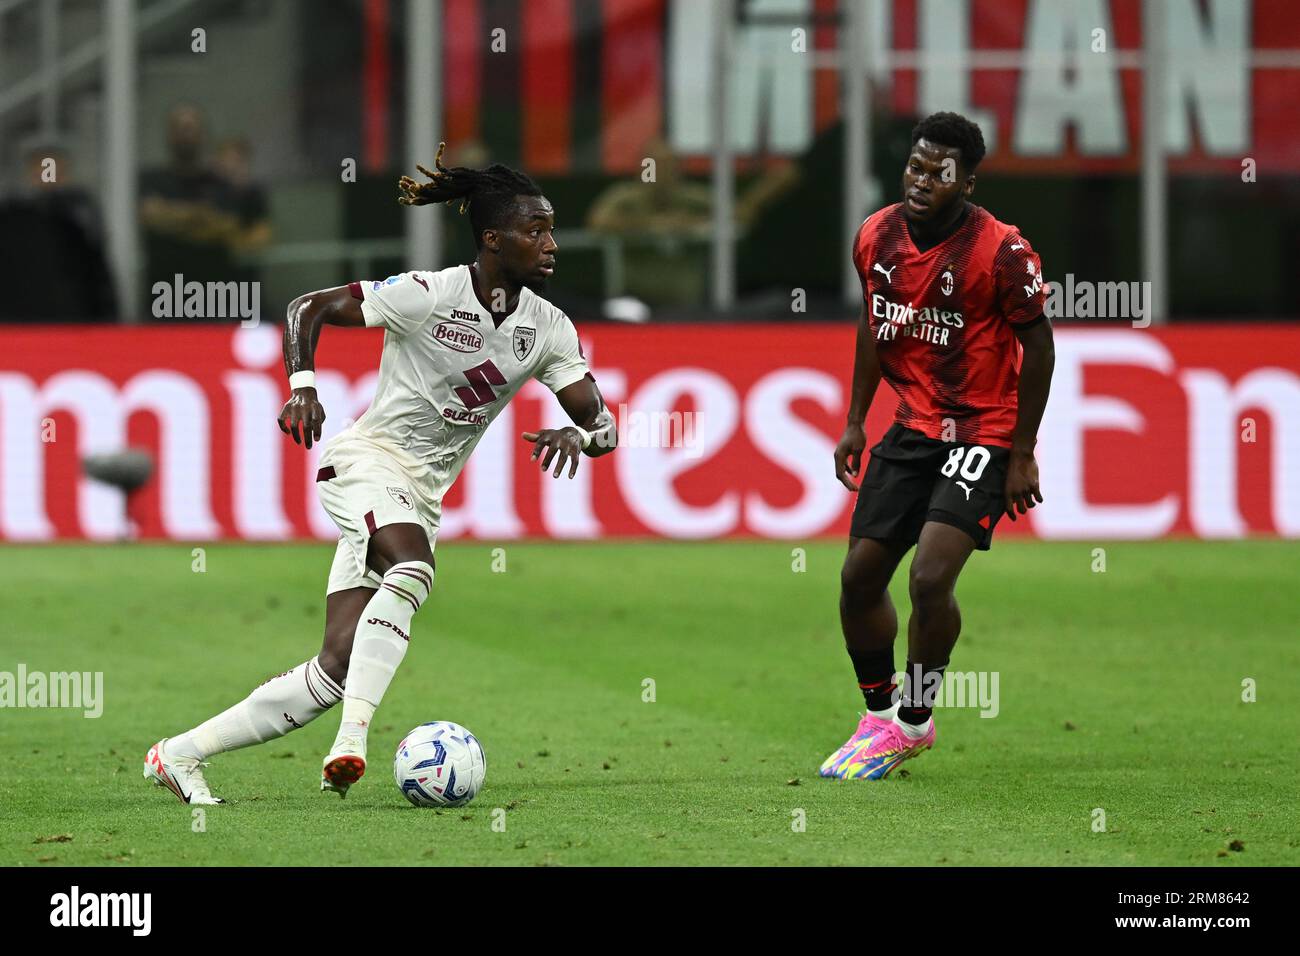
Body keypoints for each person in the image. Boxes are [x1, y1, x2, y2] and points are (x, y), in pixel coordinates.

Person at [144, 145, 617, 803]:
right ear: (492, 239)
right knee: (414, 569)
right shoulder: (428, 294)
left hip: (416, 498)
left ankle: (178, 755)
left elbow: (604, 425)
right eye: (535, 230)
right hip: (362, 464)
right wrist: (302, 385)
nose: (550, 244)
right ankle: (352, 742)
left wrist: (584, 434)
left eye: (551, 229)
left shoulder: (548, 330)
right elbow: (308, 307)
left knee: (332, 670)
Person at [820, 111, 1055, 780]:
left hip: (984, 427)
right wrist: (857, 418)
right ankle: (877, 714)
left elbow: (1039, 346)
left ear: (968, 184)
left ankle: (915, 722)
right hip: (913, 425)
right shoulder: (876, 234)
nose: (923, 181)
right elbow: (876, 322)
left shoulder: (1003, 250)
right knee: (859, 576)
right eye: (916, 167)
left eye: (940, 172)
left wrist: (1023, 451)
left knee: (928, 577)